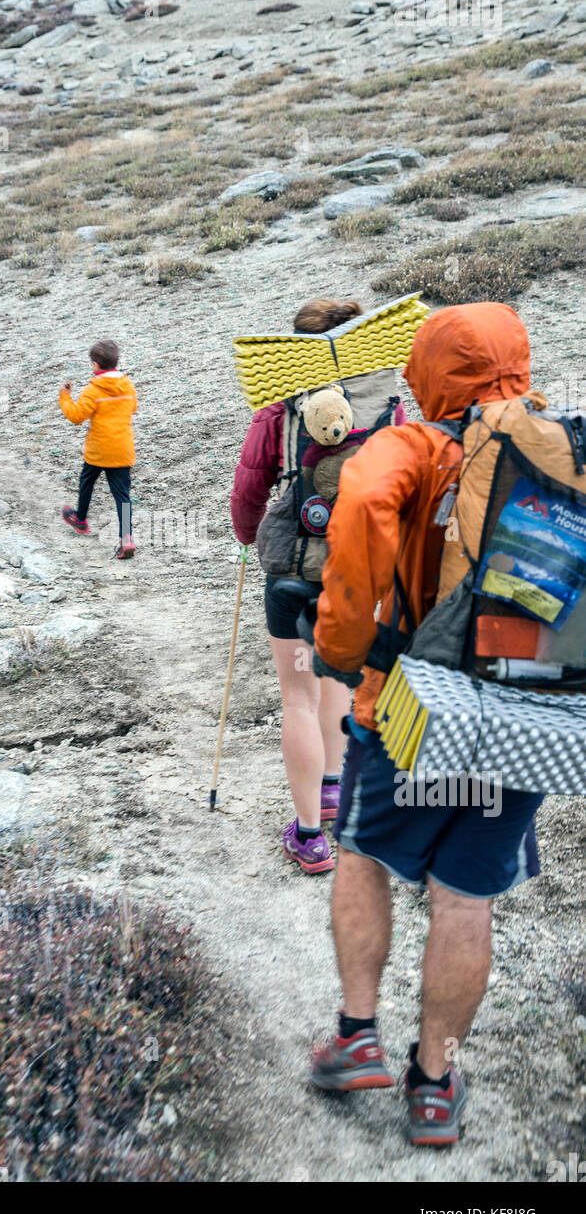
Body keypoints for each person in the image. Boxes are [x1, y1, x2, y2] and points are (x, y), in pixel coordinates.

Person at [309, 301, 544, 1147]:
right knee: (466, 900)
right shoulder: (559, 449)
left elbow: (364, 496)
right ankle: (435, 1086)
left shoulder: (417, 445)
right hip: (524, 715)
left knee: (363, 854)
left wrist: (342, 644)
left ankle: (356, 1037)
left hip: (410, 705)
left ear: (430, 371)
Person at [231, 299, 407, 874]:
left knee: (298, 695)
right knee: (338, 681)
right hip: (360, 574)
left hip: (294, 577)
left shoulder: (279, 408)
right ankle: (335, 790)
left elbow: (250, 488)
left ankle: (309, 836)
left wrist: (247, 533)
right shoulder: (387, 404)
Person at [59, 340, 138, 560]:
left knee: (87, 482)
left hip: (98, 450)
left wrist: (65, 396)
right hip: (122, 449)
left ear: (95, 365)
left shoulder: (93, 389)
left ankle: (81, 519)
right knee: (122, 496)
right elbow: (133, 406)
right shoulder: (127, 385)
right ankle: (126, 539)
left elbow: (76, 416)